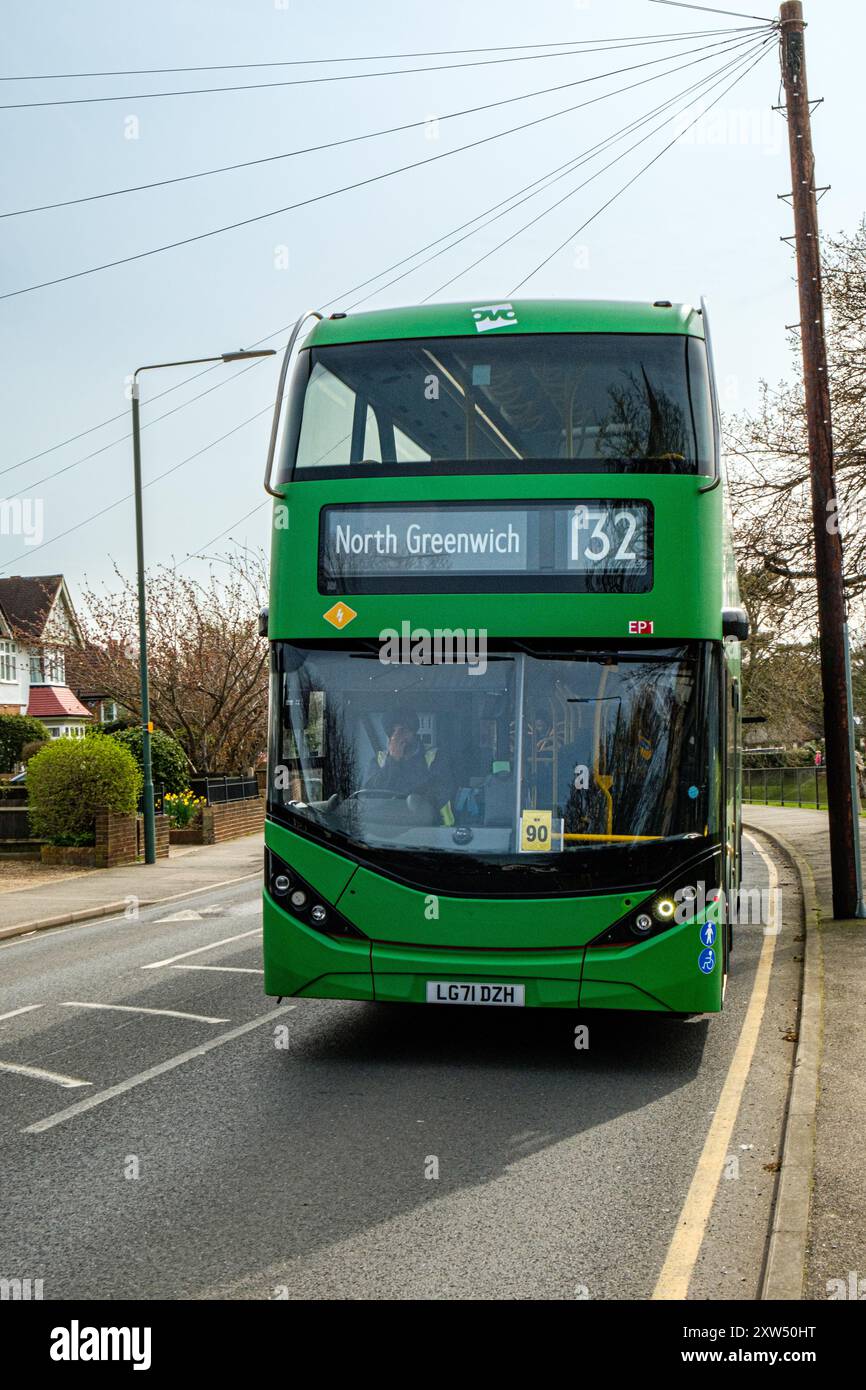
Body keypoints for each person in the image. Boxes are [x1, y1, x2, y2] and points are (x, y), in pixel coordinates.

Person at [366, 706, 455, 823]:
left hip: (432, 832)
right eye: (393, 732)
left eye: (403, 730)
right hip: (385, 831)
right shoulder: (379, 760)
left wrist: (407, 762)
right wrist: (392, 760)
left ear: (413, 731)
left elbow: (436, 795)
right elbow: (370, 796)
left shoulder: (435, 758)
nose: (398, 737)